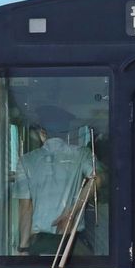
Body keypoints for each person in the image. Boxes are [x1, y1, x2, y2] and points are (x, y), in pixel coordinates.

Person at [14, 105, 96, 256]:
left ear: (42, 132)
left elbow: (26, 206)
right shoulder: (82, 154)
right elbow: (97, 179)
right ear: (67, 132)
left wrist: (23, 246)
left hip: (41, 243)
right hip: (73, 243)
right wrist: (71, 214)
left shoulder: (26, 161)